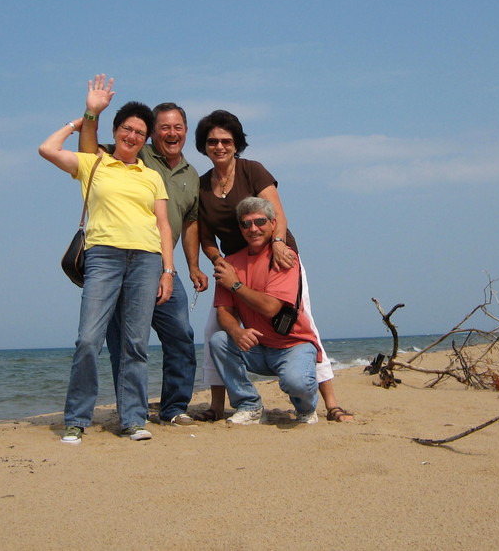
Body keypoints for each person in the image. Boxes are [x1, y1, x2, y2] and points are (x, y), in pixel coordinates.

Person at [194, 109, 353, 423]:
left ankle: (330, 403)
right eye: (212, 141)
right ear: (204, 145)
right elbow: (206, 237)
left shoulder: (253, 171)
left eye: (226, 140)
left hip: (277, 256)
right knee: (217, 329)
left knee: (300, 324)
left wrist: (278, 244)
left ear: (237, 143)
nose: (219, 146)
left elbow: (277, 214)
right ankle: (219, 405)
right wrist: (218, 263)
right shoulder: (201, 186)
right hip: (235, 265)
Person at [38, 83, 175, 445]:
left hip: (146, 260)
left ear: (146, 140)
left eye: (140, 133)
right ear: (115, 131)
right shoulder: (94, 163)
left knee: (135, 344)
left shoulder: (151, 175)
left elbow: (163, 225)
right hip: (104, 256)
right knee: (88, 339)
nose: (132, 136)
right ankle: (76, 419)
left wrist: (167, 270)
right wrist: (83, 117)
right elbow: (46, 149)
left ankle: (132, 419)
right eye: (127, 129)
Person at [77, 74, 209, 426]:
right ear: (152, 133)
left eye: (177, 127)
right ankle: (130, 414)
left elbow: (190, 221)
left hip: (163, 267)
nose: (171, 133)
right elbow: (88, 151)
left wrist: (192, 266)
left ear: (185, 130)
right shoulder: (136, 153)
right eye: (163, 127)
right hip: (122, 258)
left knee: (181, 333)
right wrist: (91, 114)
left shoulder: (191, 174)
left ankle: (174, 407)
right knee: (124, 343)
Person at [208, 197, 321, 424]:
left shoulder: (284, 257)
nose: (253, 229)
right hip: (256, 348)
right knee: (219, 340)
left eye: (260, 221)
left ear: (272, 224)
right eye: (246, 224)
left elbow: (271, 307)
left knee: (296, 382)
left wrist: (235, 285)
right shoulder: (230, 263)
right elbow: (223, 311)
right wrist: (236, 331)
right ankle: (249, 405)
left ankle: (306, 408)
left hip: (292, 345)